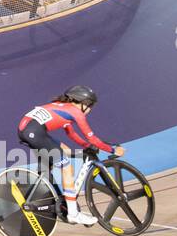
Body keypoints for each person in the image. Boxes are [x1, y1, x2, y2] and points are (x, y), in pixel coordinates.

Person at [16, 85, 122, 227]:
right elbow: (92, 137)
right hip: (34, 133)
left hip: (32, 131)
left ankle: (48, 177)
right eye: (90, 105)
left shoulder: (64, 107)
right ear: (82, 103)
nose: (90, 109)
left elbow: (71, 134)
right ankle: (73, 214)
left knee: (65, 150)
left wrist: (86, 147)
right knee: (67, 168)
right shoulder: (75, 112)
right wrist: (112, 150)